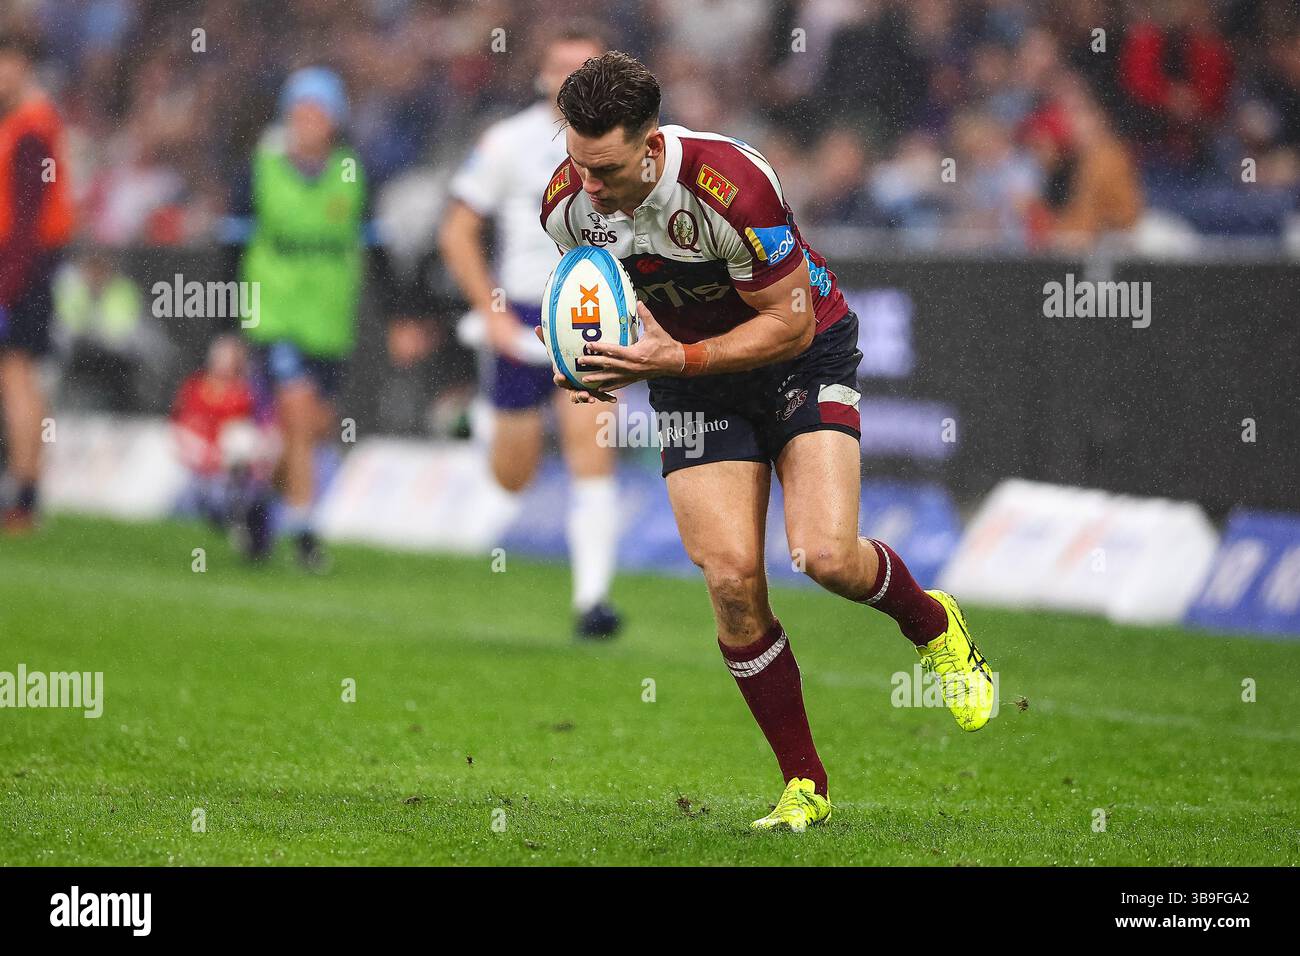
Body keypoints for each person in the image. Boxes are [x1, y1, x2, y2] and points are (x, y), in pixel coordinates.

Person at [540, 52, 995, 831]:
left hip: (799, 353)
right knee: (730, 581)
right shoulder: (564, 206)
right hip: (690, 381)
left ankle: (932, 624)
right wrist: (598, 366)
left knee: (825, 556)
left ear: (650, 146)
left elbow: (788, 322)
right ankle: (804, 786)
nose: (590, 186)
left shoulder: (732, 184)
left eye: (605, 167)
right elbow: (605, 310)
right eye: (578, 163)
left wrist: (677, 356)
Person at [440, 26, 623, 640]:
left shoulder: (636, 142)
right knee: (512, 474)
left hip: (591, 314)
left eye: (585, 68)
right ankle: (478, 419)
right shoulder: (508, 141)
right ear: (543, 76)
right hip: (520, 313)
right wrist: (488, 310)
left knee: (590, 452)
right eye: (561, 67)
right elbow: (457, 230)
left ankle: (593, 601)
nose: (571, 79)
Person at [225, 67, 384, 571]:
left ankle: (255, 502)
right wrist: (225, 328)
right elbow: (230, 247)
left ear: (333, 121)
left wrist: (402, 316)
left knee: (314, 426)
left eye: (317, 113)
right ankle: (306, 533)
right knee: (296, 411)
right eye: (300, 112)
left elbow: (376, 247)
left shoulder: (353, 172)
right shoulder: (259, 169)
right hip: (274, 312)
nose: (307, 122)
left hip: (328, 319)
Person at [0, 33, 74, 532]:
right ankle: (26, 490)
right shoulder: (28, 123)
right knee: (21, 375)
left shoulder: (31, 127)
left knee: (16, 374)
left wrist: (8, 281)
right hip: (29, 264)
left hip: (22, 265)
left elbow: (28, 214)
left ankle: (25, 493)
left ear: (22, 66)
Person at [171, 336, 274, 560]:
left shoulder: (248, 395)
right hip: (201, 471)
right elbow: (182, 429)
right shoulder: (196, 388)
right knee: (200, 502)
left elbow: (263, 435)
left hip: (236, 472)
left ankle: (252, 535)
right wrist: (206, 456)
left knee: (245, 488)